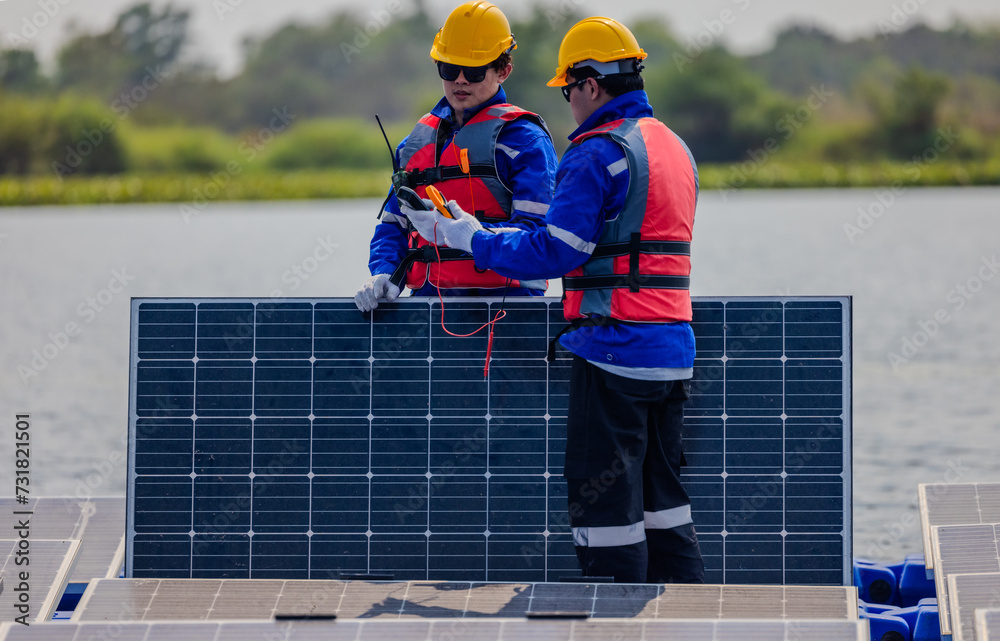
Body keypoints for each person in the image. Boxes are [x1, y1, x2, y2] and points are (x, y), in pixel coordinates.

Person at [403, 17, 704, 584]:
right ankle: (686, 616)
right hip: (673, 351)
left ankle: (614, 621)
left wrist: (470, 238)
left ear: (589, 83)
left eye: (568, 89)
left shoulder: (597, 152)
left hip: (614, 350)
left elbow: (554, 252)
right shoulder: (674, 146)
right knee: (665, 507)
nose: (568, 102)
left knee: (607, 514)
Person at [354, 0, 558, 312]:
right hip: (426, 312)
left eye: (474, 71)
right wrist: (384, 272)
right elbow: (393, 224)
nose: (460, 80)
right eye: (449, 69)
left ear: (503, 70)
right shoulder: (414, 143)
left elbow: (540, 238)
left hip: (510, 313)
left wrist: (474, 236)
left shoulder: (527, 142)